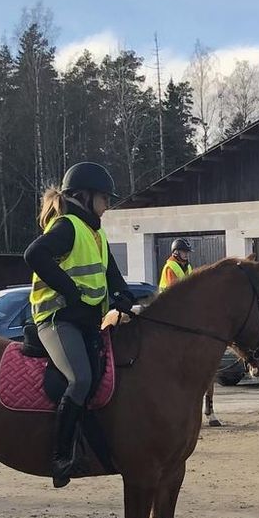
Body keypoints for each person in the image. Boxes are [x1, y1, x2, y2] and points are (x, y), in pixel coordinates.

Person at [26, 162, 135, 488]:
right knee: (80, 378)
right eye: (104, 198)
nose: (107, 205)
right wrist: (69, 289)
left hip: (88, 322)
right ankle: (60, 457)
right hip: (56, 319)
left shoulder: (96, 232)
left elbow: (111, 275)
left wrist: (122, 296)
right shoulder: (67, 226)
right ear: (84, 197)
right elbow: (34, 254)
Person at [156, 238, 219, 426]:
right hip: (169, 315)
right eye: (184, 252)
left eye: (187, 253)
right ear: (176, 253)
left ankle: (209, 407)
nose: (187, 255)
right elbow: (176, 296)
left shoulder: (188, 268)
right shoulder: (170, 268)